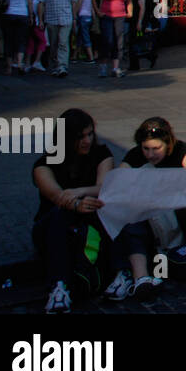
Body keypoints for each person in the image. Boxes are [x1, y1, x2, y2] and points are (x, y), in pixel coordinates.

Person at [109, 117, 186, 301]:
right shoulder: (136, 155)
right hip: (152, 221)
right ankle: (141, 278)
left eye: (156, 148)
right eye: (146, 148)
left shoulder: (182, 150)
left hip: (179, 217)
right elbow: (119, 182)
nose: (150, 154)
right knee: (129, 217)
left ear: (168, 143)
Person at [32, 108, 114, 313]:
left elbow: (104, 186)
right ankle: (59, 288)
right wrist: (77, 204)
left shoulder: (101, 154)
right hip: (52, 227)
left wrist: (79, 191)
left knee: (112, 208)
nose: (86, 141)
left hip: (90, 223)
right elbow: (56, 196)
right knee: (60, 214)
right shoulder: (44, 165)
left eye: (89, 134)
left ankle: (123, 273)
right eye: (80, 137)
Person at [91, 0, 132, 79]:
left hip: (120, 16)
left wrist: (129, 11)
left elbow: (128, 0)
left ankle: (115, 67)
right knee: (107, 41)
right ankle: (103, 67)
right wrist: (98, 12)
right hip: (106, 15)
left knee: (118, 41)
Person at [34, 0, 76, 78]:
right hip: (52, 19)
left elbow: (74, 3)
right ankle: (54, 65)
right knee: (53, 44)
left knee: (63, 42)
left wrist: (74, 18)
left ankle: (62, 66)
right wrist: (41, 19)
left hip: (66, 18)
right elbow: (41, 3)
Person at [0, 0, 33, 75]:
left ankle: (9, 67)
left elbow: (0, 0)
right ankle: (19, 63)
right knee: (21, 40)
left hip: (9, 13)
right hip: (23, 14)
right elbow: (29, 2)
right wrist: (31, 15)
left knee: (8, 40)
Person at [74, 0, 95, 64]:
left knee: (84, 37)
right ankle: (74, 56)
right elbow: (92, 7)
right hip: (89, 16)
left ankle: (91, 57)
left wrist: (75, 14)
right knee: (81, 36)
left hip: (82, 16)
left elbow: (79, 4)